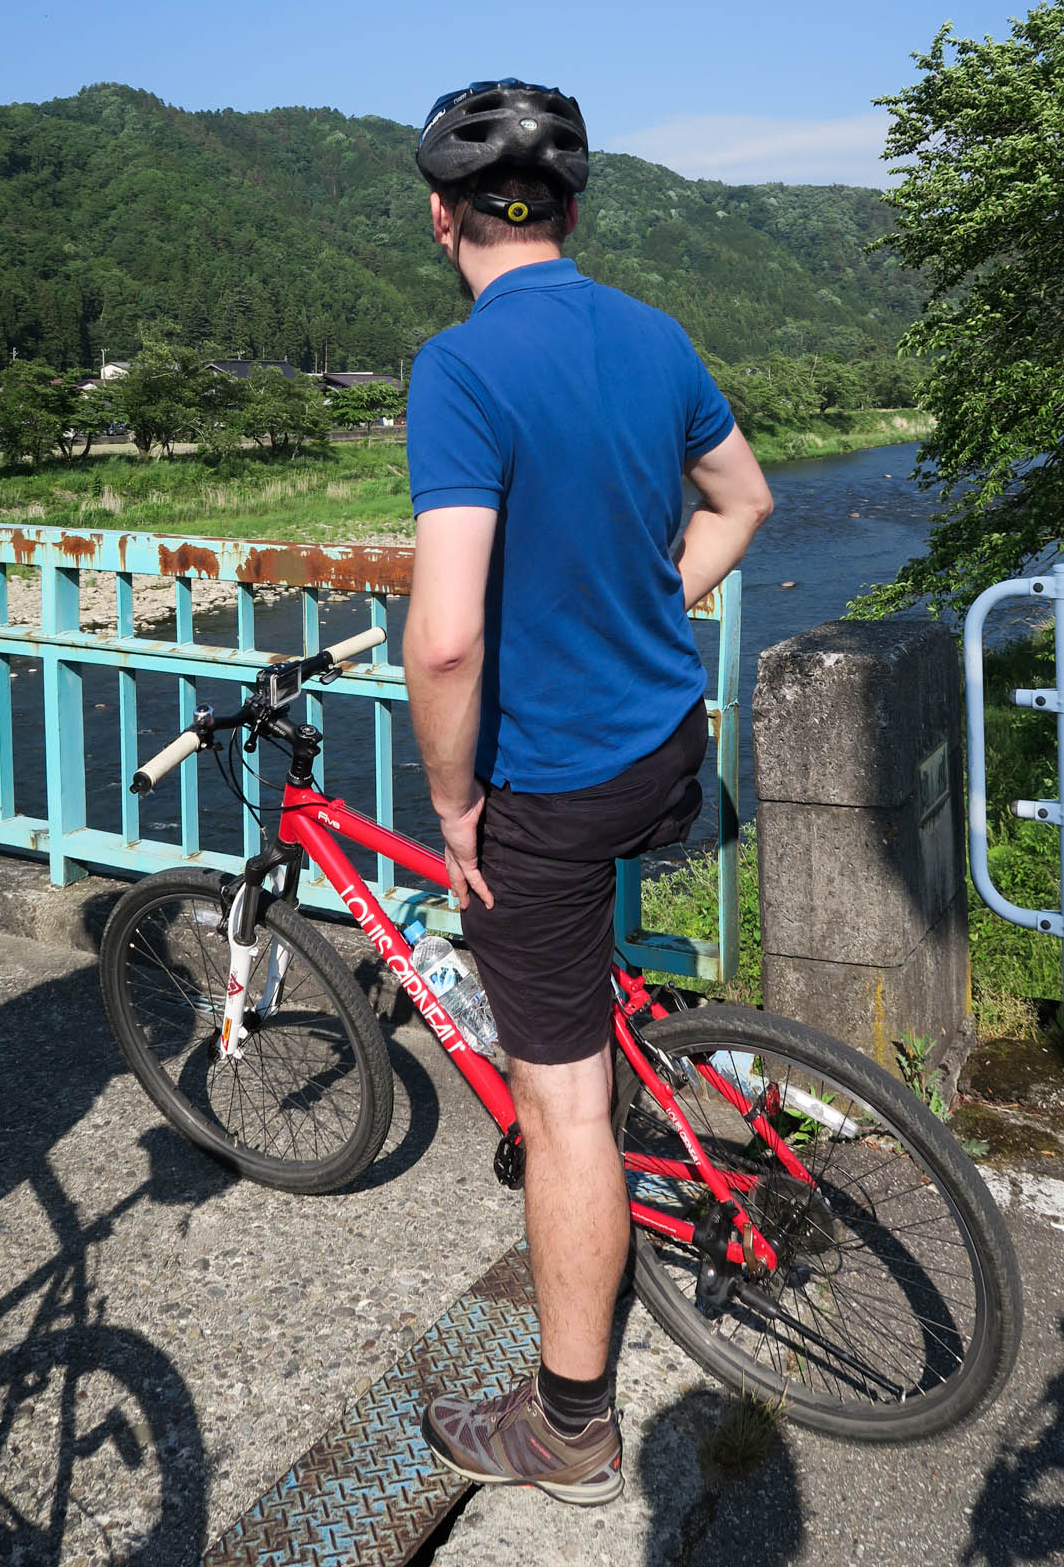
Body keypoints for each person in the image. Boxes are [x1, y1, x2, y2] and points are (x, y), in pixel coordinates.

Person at [403, 78, 773, 1506]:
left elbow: (444, 637)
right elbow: (742, 501)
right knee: (582, 988)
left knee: (560, 1112)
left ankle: (568, 1428)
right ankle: (636, 1067)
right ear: (568, 209)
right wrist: (646, 605)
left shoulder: (465, 367)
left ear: (446, 218)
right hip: (663, 743)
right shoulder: (652, 333)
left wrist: (452, 808)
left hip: (550, 791)